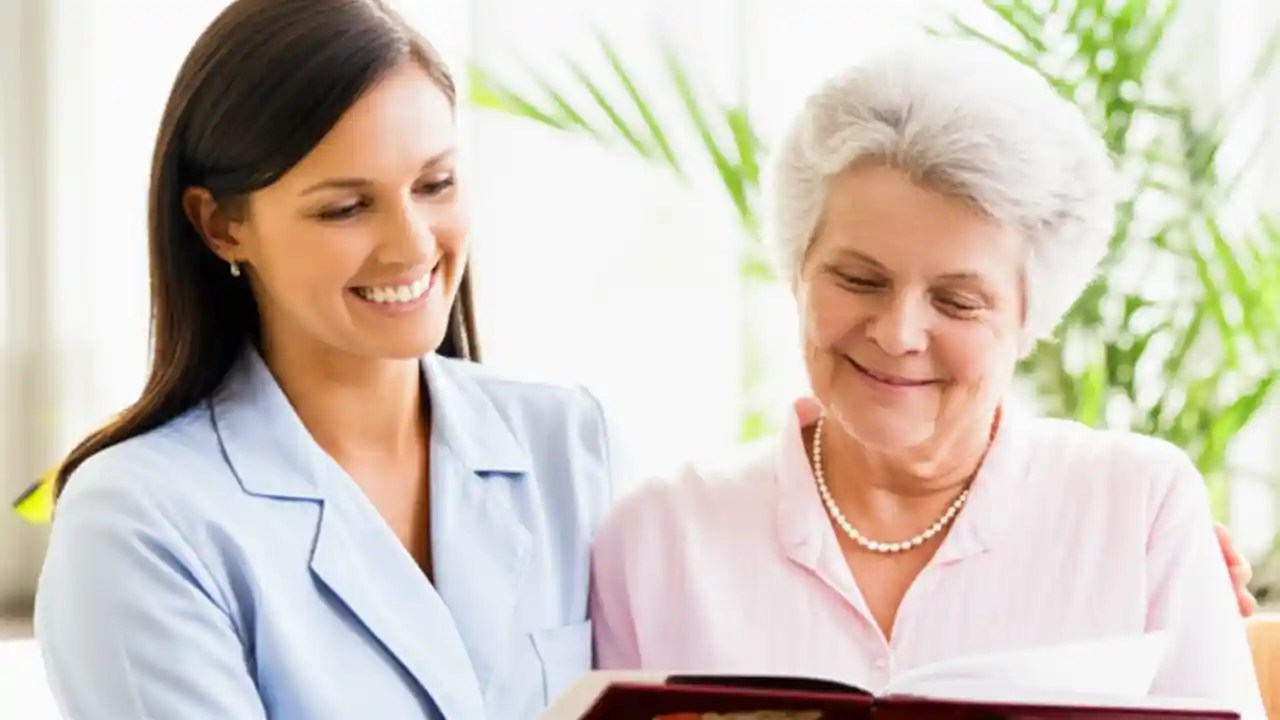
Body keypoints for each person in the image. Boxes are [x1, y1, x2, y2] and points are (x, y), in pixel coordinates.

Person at [589, 40, 1267, 718]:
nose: (898, 333)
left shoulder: (1136, 510)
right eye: (859, 280)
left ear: (1033, 315)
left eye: (957, 302)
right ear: (797, 270)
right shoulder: (659, 537)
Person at [33, 1, 616, 718]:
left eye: (435, 185)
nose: (411, 246)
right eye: (345, 208)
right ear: (221, 226)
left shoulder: (570, 444)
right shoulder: (138, 523)